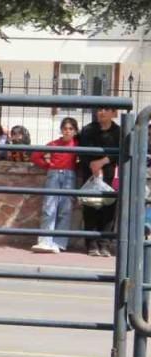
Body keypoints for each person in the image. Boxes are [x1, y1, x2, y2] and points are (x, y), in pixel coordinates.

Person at [30, 117, 79, 254]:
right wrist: (49, 166)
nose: (67, 131)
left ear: (75, 131)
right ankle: (45, 241)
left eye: (70, 129)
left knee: (65, 209)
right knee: (49, 207)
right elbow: (35, 156)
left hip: (70, 175)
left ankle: (59, 243)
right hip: (54, 175)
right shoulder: (54, 144)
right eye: (65, 128)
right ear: (61, 130)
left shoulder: (77, 145)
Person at [77, 107, 120, 257]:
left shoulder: (118, 132)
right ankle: (91, 245)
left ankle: (105, 245)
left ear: (114, 113)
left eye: (106, 109)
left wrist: (103, 161)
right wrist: (92, 164)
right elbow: (82, 151)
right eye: (100, 109)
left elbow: (121, 152)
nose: (102, 112)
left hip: (110, 175)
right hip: (90, 173)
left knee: (108, 210)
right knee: (90, 208)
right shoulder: (88, 130)